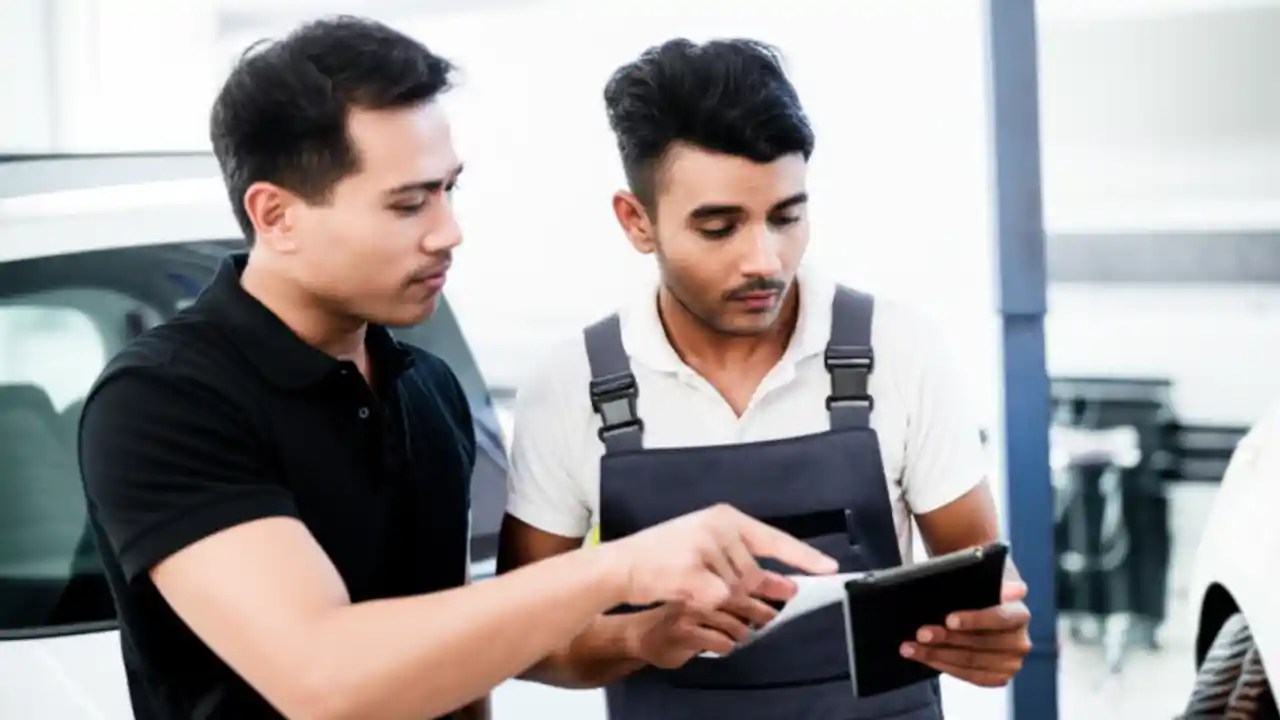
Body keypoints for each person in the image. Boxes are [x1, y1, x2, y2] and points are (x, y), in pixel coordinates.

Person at [76, 18, 839, 720]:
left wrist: (640, 637)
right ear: (276, 215)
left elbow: (462, 661)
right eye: (409, 204)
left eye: (449, 189)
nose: (450, 231)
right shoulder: (166, 399)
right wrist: (621, 569)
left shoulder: (426, 390)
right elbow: (323, 676)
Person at [497, 37, 1034, 719]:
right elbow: (518, 639)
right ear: (637, 222)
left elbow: (988, 591)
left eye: (787, 217)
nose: (765, 260)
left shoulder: (901, 351)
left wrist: (994, 640)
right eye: (720, 228)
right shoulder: (570, 384)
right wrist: (638, 635)